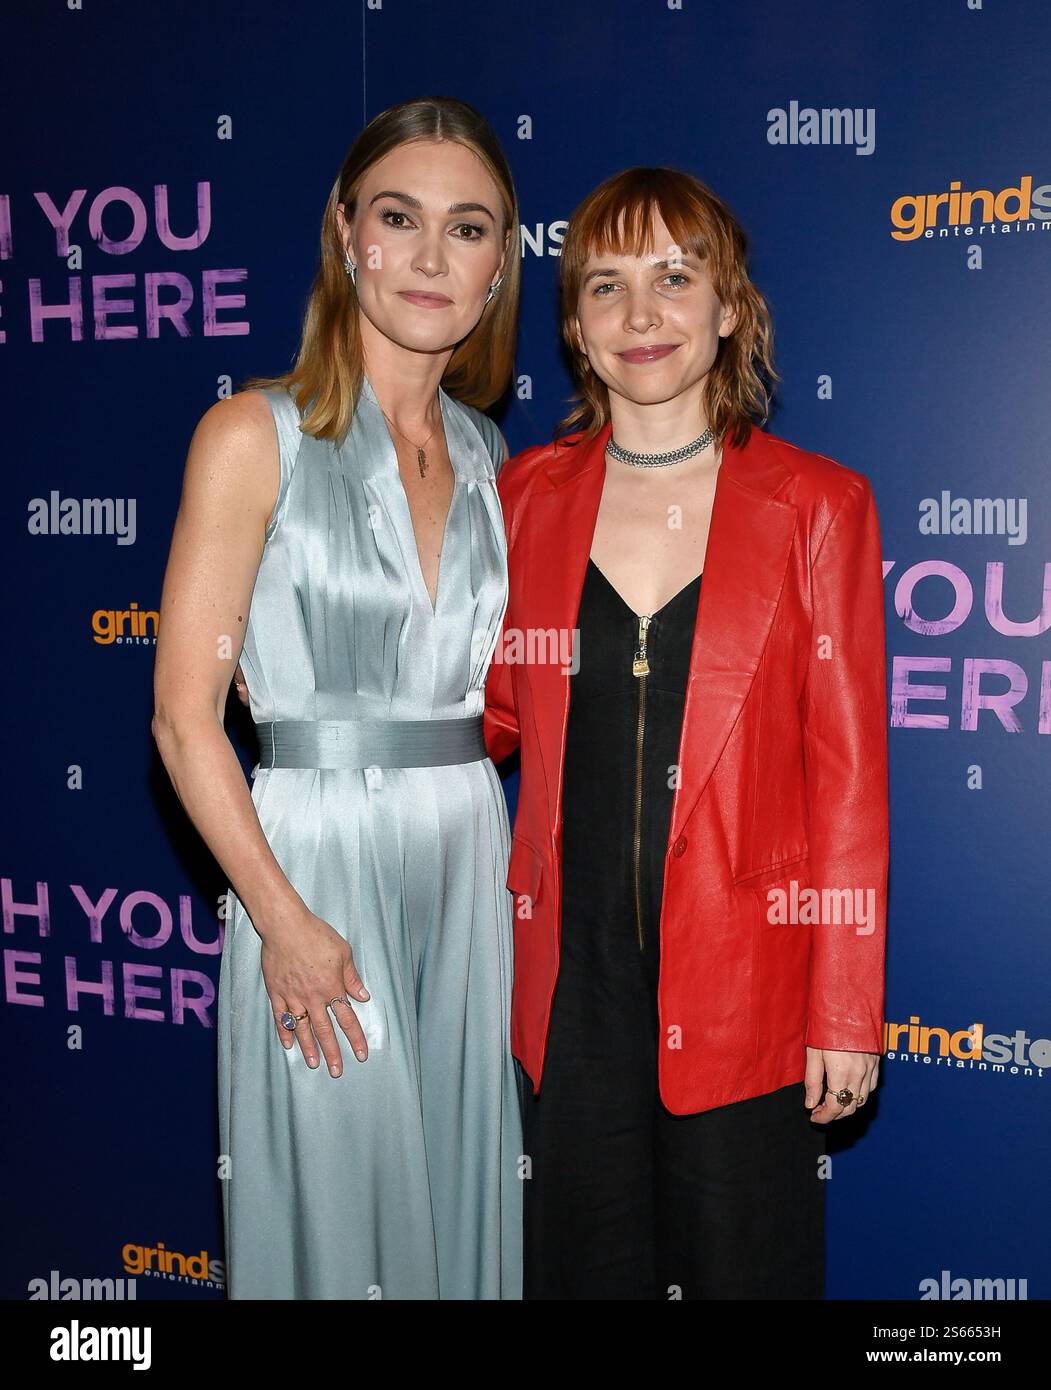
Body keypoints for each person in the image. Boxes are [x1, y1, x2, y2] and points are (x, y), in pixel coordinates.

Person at [483, 166, 889, 1299]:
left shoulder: (819, 505)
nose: (642, 316)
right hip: (569, 996)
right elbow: (490, 719)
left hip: (746, 985)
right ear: (572, 326)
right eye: (605, 286)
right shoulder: (522, 497)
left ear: (728, 306)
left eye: (675, 277)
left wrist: (844, 1008)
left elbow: (848, 778)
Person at [152, 96, 524, 1300]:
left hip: (467, 863)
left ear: (497, 268)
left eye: (466, 230)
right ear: (345, 234)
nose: (428, 257)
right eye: (398, 218)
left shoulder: (489, 457)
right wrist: (281, 919)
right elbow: (182, 717)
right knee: (338, 1218)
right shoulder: (249, 436)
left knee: (460, 1202)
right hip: (312, 869)